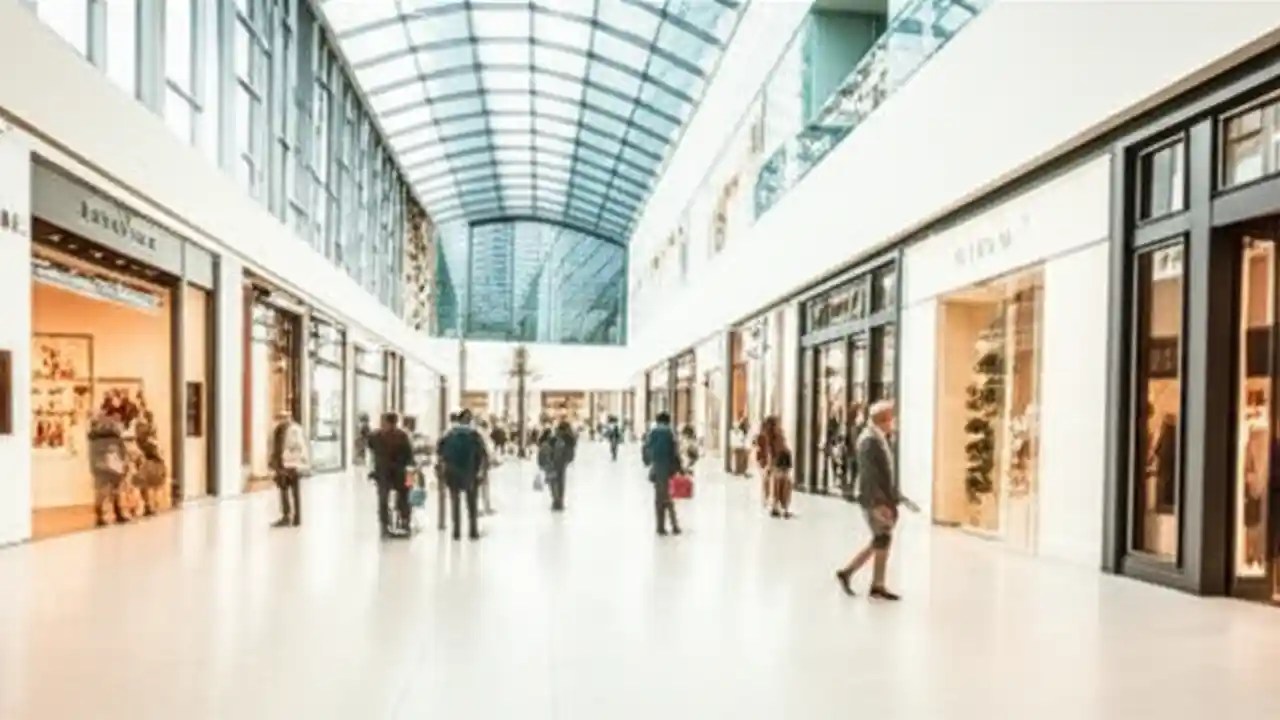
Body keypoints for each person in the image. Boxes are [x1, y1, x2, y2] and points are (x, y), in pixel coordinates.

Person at [836, 400, 905, 601]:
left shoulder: (878, 437)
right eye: (891, 416)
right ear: (883, 418)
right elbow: (869, 475)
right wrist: (878, 503)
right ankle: (851, 573)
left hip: (879, 498)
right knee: (881, 538)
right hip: (873, 499)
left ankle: (875, 582)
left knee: (882, 539)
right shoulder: (869, 440)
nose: (893, 420)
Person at [437, 409, 487, 541]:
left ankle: (456, 532)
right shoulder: (475, 435)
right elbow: (483, 455)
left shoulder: (448, 435)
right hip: (471, 472)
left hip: (452, 472)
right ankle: (473, 531)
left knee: (455, 502)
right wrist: (482, 471)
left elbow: (440, 453)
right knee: (472, 503)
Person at [369, 412, 414, 539]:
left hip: (390, 473)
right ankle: (396, 523)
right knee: (393, 499)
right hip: (392, 473)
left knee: (392, 499)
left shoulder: (378, 435)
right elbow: (410, 457)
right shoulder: (401, 435)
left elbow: (409, 457)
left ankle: (394, 523)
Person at [642, 411, 682, 536]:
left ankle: (660, 526)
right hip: (668, 469)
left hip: (656, 468)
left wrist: (648, 461)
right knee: (667, 498)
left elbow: (646, 448)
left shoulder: (652, 433)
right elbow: (675, 453)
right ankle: (673, 525)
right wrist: (679, 468)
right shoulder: (670, 434)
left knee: (659, 499)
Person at [268, 411, 310, 528]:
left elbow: (298, 447)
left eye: (284, 417)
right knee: (283, 490)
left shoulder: (294, 430)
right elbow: (274, 446)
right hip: (282, 465)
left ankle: (296, 517)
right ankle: (286, 516)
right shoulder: (278, 430)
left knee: (294, 491)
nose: (282, 419)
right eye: (280, 417)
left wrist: (295, 461)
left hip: (292, 464)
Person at [87, 411, 128, 526]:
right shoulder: (114, 435)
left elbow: (92, 454)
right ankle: (114, 513)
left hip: (100, 464)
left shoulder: (94, 436)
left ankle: (102, 515)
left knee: (104, 491)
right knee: (112, 490)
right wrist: (123, 462)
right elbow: (122, 450)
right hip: (112, 464)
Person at [540, 420, 577, 512]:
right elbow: (570, 454)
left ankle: (557, 501)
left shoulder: (559, 438)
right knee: (559, 482)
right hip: (560, 464)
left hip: (554, 463)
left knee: (553, 482)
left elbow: (545, 446)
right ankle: (558, 501)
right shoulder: (569, 438)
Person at [762, 420, 794, 518]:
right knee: (782, 481)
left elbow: (771, 454)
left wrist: (769, 467)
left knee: (777, 481)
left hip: (782, 459)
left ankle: (776, 505)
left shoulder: (773, 438)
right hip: (783, 458)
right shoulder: (776, 437)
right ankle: (781, 506)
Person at [754, 416, 780, 509]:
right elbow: (760, 448)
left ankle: (768, 499)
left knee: (767, 479)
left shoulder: (773, 436)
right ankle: (767, 498)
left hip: (768, 460)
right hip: (764, 460)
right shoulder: (764, 436)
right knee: (766, 479)